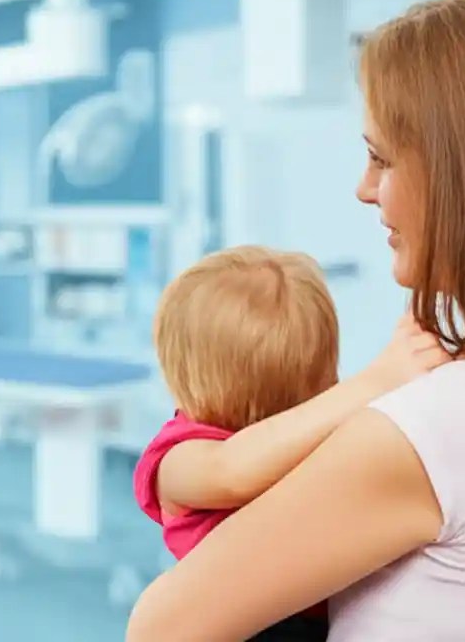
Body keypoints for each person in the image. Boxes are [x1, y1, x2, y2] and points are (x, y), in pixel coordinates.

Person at [126, 0, 465, 641]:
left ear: (462, 177)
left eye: (380, 159)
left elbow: (160, 630)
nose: (364, 189)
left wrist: (379, 386)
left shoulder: (442, 425)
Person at [134, 245, 447, 641]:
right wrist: (375, 381)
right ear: (328, 379)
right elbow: (231, 471)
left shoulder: (325, 440)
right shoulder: (179, 454)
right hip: (236, 626)